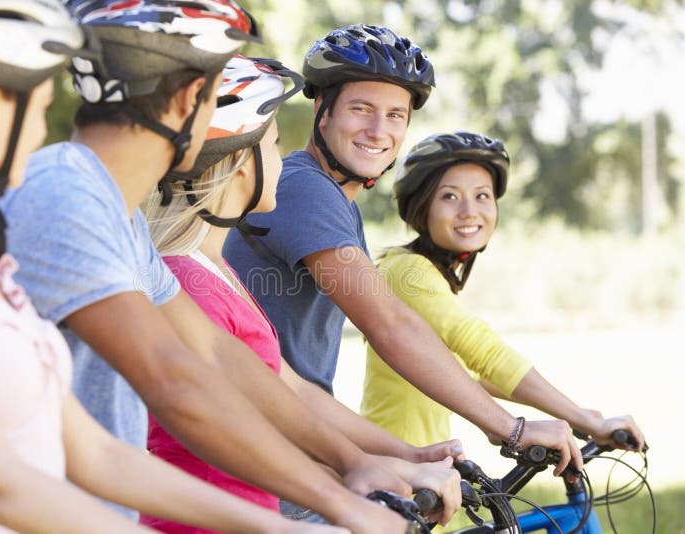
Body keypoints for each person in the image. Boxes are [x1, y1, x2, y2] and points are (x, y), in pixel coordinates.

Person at [0, 2, 334, 533]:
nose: (40, 137)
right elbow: (1, 488)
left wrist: (285, 525)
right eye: (38, 109)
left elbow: (96, 455)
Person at [0, 2, 415, 530]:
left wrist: (354, 467)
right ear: (191, 98)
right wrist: (333, 500)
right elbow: (175, 382)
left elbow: (213, 354)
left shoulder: (118, 215)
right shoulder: (67, 195)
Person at [224, 23, 585, 488]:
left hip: (292, 440)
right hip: (258, 453)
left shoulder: (334, 202)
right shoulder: (304, 189)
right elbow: (390, 325)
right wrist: (511, 429)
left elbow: (300, 380)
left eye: (396, 115)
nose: (379, 130)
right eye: (361, 109)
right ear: (323, 111)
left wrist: (401, 454)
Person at [142, 55, 464, 531]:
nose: (284, 159)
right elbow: (237, 436)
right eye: (272, 145)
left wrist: (402, 456)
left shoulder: (214, 271)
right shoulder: (188, 284)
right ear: (238, 162)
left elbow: (292, 390)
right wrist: (354, 474)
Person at [360, 131, 645, 451]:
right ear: (420, 208)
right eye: (450, 196)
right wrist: (586, 421)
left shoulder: (421, 274)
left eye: (482, 195)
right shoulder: (408, 273)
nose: (469, 210)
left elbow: (470, 373)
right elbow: (482, 350)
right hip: (395, 473)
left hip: (420, 467)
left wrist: (579, 416)